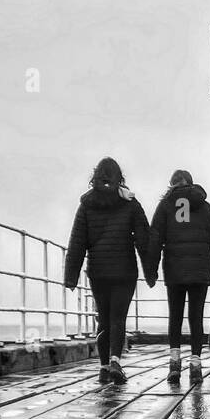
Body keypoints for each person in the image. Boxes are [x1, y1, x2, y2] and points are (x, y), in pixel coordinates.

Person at [63, 157, 151, 385]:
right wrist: (150, 270)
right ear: (119, 177)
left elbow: (77, 243)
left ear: (95, 177)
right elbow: (144, 239)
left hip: (98, 271)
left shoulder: (86, 205)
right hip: (124, 270)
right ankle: (115, 361)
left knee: (103, 318)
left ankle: (103, 367)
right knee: (118, 318)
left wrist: (71, 277)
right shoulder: (130, 203)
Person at [145, 169, 210, 384]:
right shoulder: (204, 207)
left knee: (175, 316)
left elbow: (154, 240)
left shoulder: (166, 206)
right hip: (199, 270)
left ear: (172, 185)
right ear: (191, 184)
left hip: (175, 271)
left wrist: (151, 271)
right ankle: (195, 365)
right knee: (196, 317)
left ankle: (174, 365)